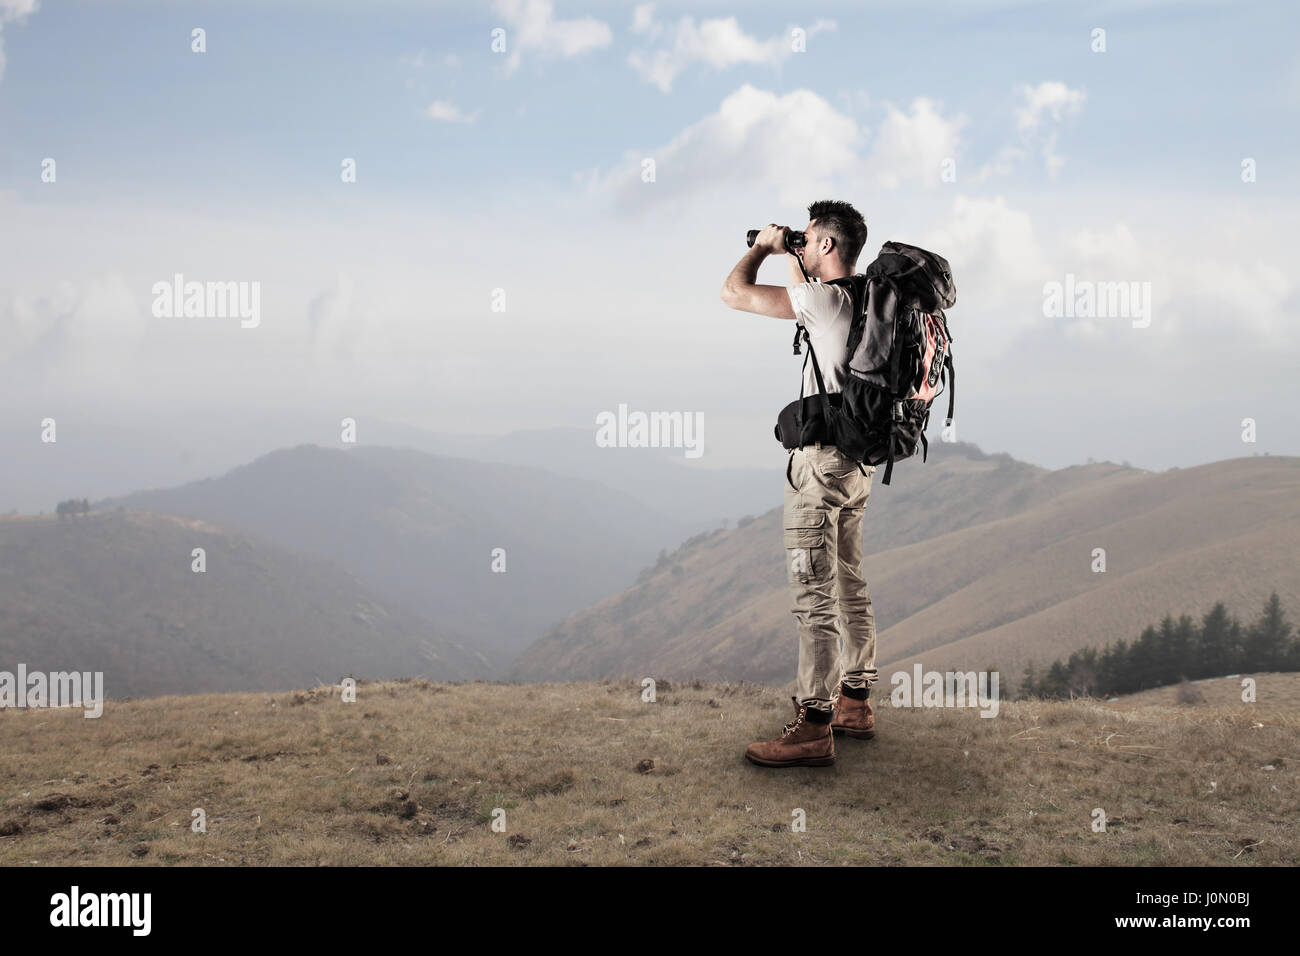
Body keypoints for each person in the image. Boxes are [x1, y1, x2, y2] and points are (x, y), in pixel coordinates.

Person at [720, 199, 878, 768]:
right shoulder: (866, 302)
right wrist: (795, 255)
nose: (802, 247)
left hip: (819, 469)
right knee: (851, 584)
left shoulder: (822, 299)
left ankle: (813, 727)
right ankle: (854, 703)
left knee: (812, 593)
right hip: (859, 465)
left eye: (809, 240)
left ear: (829, 246)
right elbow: (809, 298)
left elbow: (733, 292)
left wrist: (763, 246)